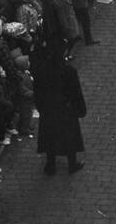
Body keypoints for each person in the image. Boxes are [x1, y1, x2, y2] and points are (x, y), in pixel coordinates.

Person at [30, 38, 87, 175]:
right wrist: (80, 109)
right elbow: (76, 92)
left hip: (48, 109)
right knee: (69, 136)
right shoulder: (68, 71)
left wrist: (40, 107)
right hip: (66, 109)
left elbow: (37, 91)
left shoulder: (41, 71)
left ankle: (50, 165)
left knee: (49, 136)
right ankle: (72, 164)